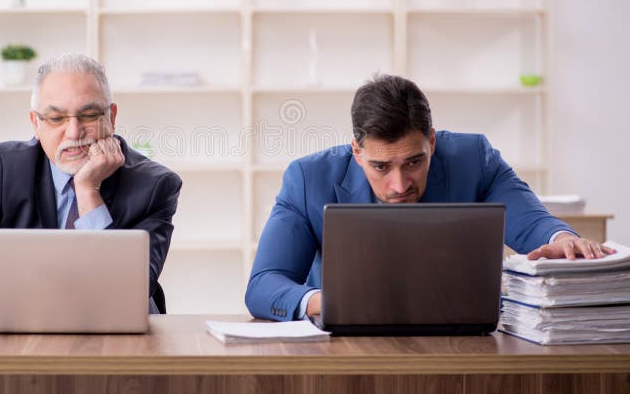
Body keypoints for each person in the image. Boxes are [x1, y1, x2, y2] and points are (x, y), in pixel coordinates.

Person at [246, 74, 614, 321]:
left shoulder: (474, 159)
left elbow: (533, 221)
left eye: (414, 162)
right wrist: (326, 302)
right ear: (356, 152)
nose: (399, 184)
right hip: (347, 346)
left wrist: (564, 240)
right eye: (380, 167)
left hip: (462, 341)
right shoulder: (309, 179)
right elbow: (264, 284)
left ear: (432, 142)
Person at [0, 53, 182, 320]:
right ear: (35, 123)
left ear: (112, 117)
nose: (73, 132)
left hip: (120, 340)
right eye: (56, 118)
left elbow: (127, 293)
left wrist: (87, 190)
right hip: (20, 336)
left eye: (89, 115)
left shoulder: (155, 186)